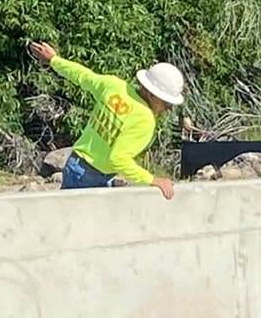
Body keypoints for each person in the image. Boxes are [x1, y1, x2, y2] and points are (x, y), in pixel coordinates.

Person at [27, 40, 184, 199]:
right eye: (167, 103)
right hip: (91, 177)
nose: (169, 108)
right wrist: (152, 180)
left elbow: (82, 76)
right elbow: (118, 159)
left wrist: (54, 60)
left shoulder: (115, 86)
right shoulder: (145, 120)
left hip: (75, 164)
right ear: (152, 94)